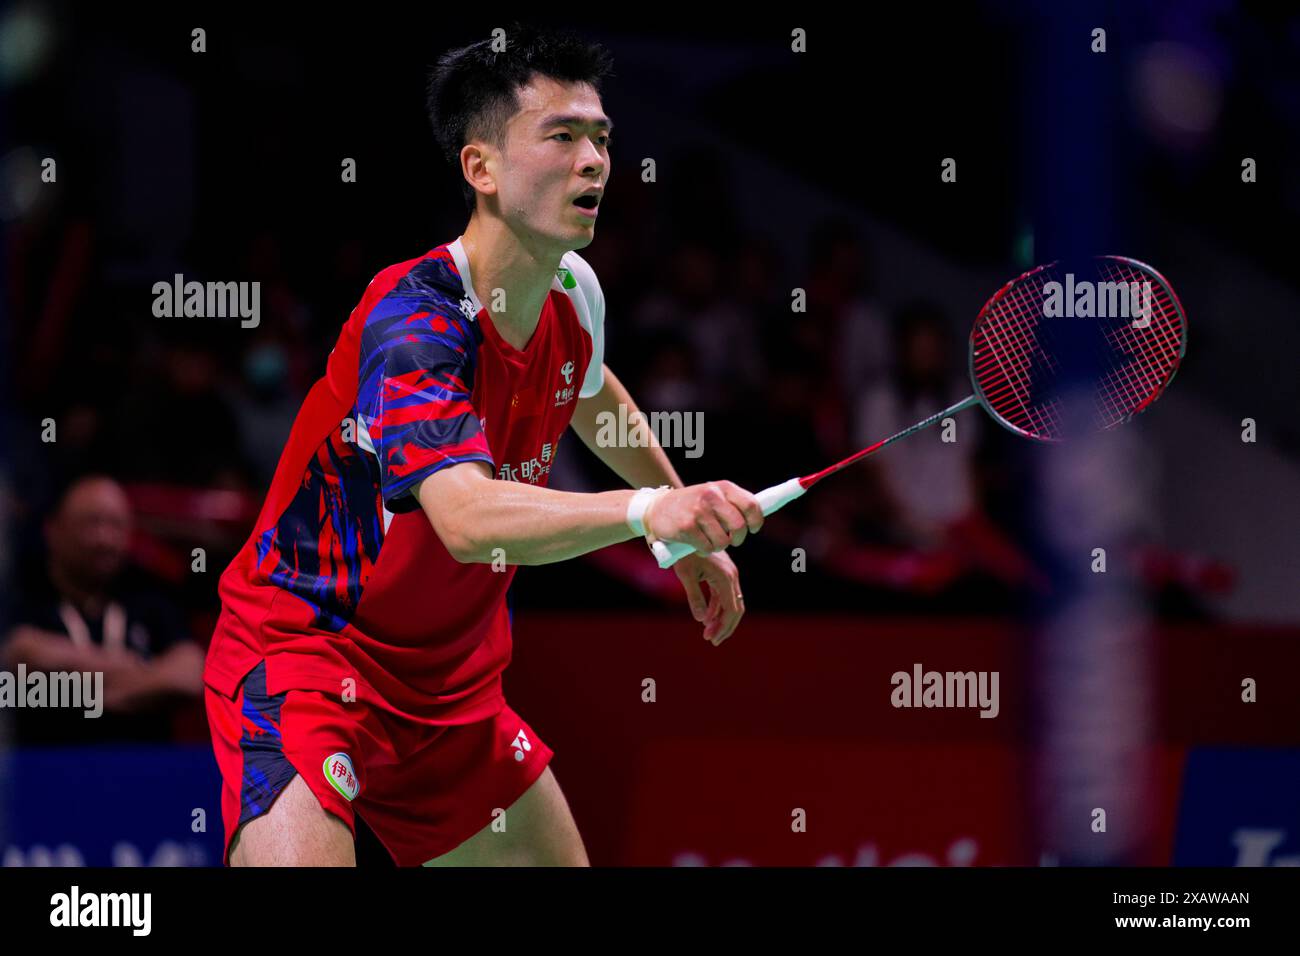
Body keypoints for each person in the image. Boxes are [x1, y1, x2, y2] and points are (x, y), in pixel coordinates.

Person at [203, 24, 764, 868]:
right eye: (563, 136)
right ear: (482, 169)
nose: (594, 161)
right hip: (310, 655)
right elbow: (466, 517)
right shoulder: (413, 319)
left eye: (602, 139)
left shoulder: (573, 292)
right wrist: (651, 511)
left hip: (451, 688)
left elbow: (590, 389)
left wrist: (678, 527)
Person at [1, 474, 205, 744]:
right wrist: (136, 671)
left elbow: (189, 675)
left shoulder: (149, 597)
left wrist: (83, 686)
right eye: (91, 523)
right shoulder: (25, 594)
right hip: (44, 770)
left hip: (143, 771)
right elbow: (21, 653)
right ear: (53, 529)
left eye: (116, 525)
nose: (105, 539)